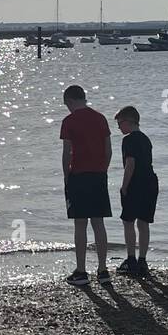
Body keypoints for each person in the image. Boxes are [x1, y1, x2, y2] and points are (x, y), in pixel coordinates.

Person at [59, 85, 112, 283]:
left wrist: (66, 177)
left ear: (71, 101)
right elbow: (108, 150)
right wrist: (103, 170)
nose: (67, 108)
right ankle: (103, 269)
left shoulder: (69, 121)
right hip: (98, 175)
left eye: (67, 105)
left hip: (78, 176)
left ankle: (81, 270)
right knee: (98, 222)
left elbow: (67, 153)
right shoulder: (100, 118)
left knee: (80, 224)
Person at [113, 106, 158, 275]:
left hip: (136, 183)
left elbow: (130, 164)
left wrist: (124, 186)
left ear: (128, 121)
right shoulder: (146, 139)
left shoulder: (129, 140)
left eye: (120, 123)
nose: (119, 128)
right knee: (144, 222)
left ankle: (131, 259)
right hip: (150, 182)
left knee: (128, 221)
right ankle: (142, 260)